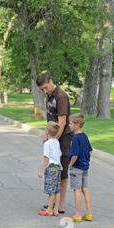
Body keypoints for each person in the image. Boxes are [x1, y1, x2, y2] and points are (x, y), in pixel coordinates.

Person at [36, 73, 71, 213]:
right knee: (53, 170)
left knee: (61, 170)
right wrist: (47, 135)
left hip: (62, 139)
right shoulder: (49, 96)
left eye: (45, 88)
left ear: (51, 81)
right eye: (42, 90)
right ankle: (53, 203)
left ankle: (60, 205)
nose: (45, 91)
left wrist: (54, 140)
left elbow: (61, 123)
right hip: (53, 137)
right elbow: (50, 120)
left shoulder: (61, 96)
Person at [67, 113, 93, 222]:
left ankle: (77, 214)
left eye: (71, 123)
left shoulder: (76, 138)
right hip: (85, 167)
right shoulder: (84, 136)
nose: (69, 125)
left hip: (76, 168)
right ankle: (88, 213)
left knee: (76, 190)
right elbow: (90, 151)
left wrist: (71, 164)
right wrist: (85, 160)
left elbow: (75, 155)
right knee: (85, 189)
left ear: (77, 125)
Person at [38, 121, 63, 216]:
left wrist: (42, 171)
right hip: (58, 167)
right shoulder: (57, 142)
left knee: (51, 190)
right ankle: (56, 210)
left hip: (51, 167)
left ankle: (49, 209)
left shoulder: (47, 144)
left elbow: (46, 158)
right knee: (57, 189)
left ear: (47, 131)